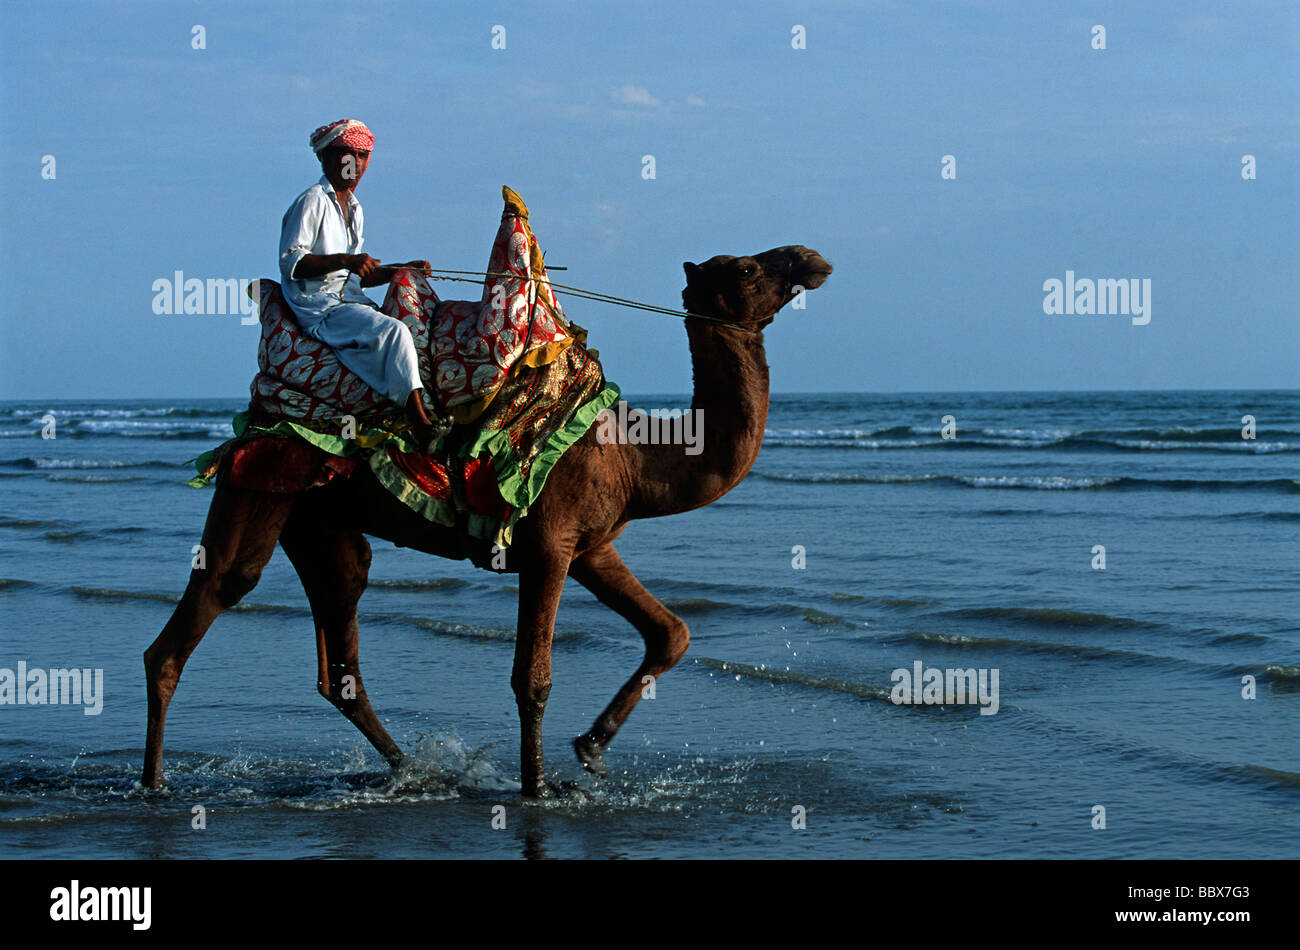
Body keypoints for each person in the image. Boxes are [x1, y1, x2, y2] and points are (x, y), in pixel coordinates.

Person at [278, 118, 442, 451]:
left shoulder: (354, 209)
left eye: (363, 156)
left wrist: (400, 270)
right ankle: (419, 422)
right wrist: (346, 260)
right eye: (347, 154)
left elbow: (358, 275)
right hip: (320, 306)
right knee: (394, 332)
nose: (356, 164)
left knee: (419, 328)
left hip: (348, 299)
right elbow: (291, 263)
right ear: (326, 158)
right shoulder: (312, 201)